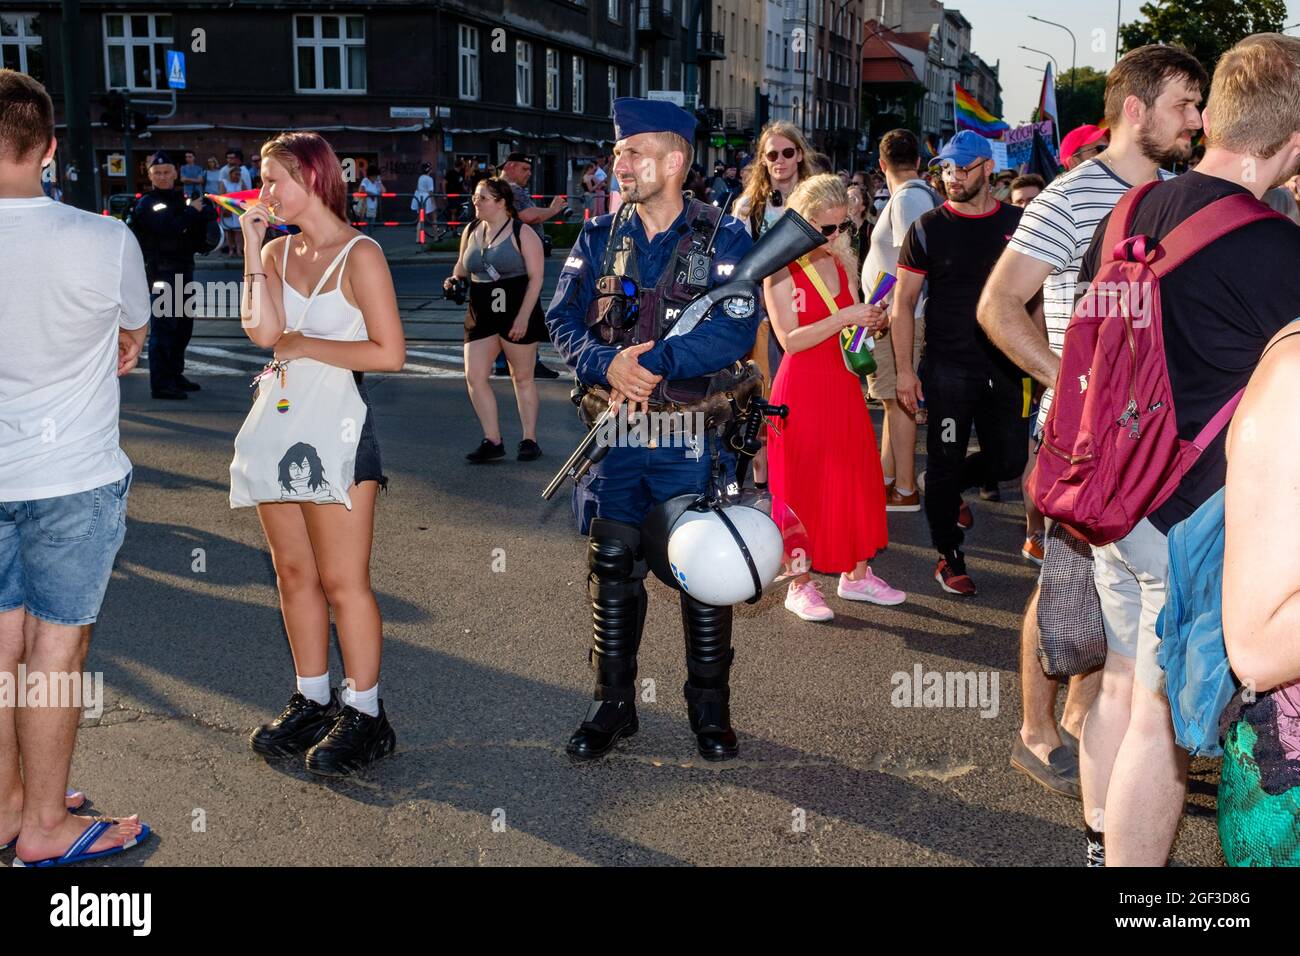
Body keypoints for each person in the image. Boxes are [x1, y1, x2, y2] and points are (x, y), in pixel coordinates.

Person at [1062, 34, 1300, 867]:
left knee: (1124, 690)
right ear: (1294, 139)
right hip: (1199, 525)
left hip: (1114, 500)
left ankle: (1106, 854)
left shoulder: (1129, 212)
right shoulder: (1277, 251)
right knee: (1165, 721)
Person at [977, 44, 1207, 820]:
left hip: (1156, 442)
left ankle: (1091, 715)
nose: (1198, 122)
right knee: (1065, 587)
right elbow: (999, 306)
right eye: (1186, 104)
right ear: (1136, 110)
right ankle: (1037, 731)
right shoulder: (1069, 197)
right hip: (1081, 441)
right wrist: (1075, 391)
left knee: (1125, 593)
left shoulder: (1180, 193)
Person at [546, 97, 761, 761]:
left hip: (692, 436)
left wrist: (651, 364)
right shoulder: (597, 236)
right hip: (614, 435)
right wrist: (606, 362)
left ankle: (710, 712)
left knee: (704, 571)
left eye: (632, 152)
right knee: (612, 565)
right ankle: (612, 706)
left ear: (673, 161)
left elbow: (734, 328)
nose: (619, 163)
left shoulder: (724, 237)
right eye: (617, 152)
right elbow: (563, 320)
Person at [0, 68, 152, 866]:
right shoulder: (102, 238)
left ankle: (9, 806)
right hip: (69, 476)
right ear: (50, 149)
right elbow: (133, 330)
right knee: (55, 654)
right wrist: (120, 343)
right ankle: (45, 830)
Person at [238, 130, 406, 777]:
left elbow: (390, 353)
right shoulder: (278, 252)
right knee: (293, 575)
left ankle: (365, 713)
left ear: (310, 178)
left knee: (342, 581)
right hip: (279, 423)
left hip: (338, 427)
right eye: (262, 180)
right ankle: (312, 698)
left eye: (274, 179)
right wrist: (254, 248)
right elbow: (262, 333)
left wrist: (308, 344)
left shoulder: (360, 254)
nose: (265, 192)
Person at [892, 130, 1031, 597]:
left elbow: (1032, 298)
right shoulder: (928, 227)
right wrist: (906, 371)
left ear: (988, 169)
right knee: (947, 459)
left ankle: (942, 488)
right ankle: (948, 556)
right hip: (948, 368)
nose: (952, 178)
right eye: (946, 169)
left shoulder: (1018, 224)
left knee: (1010, 459)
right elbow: (902, 303)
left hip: (1006, 365)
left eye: (963, 168)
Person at [763, 174, 906, 621]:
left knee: (855, 477)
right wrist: (845, 314)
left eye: (843, 225)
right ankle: (799, 584)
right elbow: (790, 339)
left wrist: (870, 322)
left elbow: (848, 328)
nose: (836, 235)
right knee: (801, 484)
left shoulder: (842, 260)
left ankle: (857, 574)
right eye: (826, 228)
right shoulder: (780, 267)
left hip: (842, 383)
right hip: (803, 384)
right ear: (800, 223)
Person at [863, 129, 941, 517]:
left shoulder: (908, 198)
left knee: (900, 403)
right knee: (893, 401)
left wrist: (888, 310)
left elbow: (915, 262)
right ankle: (888, 479)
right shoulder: (910, 195)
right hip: (896, 316)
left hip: (899, 318)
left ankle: (906, 488)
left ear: (881, 165)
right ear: (919, 161)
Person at [444, 177, 547, 463]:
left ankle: (529, 439)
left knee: (522, 377)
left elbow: (537, 279)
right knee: (475, 376)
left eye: (483, 198)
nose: (476, 202)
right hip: (481, 311)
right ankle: (493, 440)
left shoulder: (522, 232)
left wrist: (524, 317)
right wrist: (453, 279)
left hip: (515, 308)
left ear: (501, 202)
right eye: (476, 197)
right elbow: (461, 266)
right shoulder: (472, 229)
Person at [128, 151, 218, 400]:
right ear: (150, 175)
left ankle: (175, 375)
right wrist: (193, 212)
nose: (163, 176)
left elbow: (194, 236)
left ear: (176, 173)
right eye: (157, 172)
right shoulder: (148, 202)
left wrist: (205, 217)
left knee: (182, 328)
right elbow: (167, 229)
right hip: (161, 273)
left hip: (183, 269)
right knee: (165, 329)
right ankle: (161, 384)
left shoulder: (182, 200)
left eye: (167, 171)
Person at [218, 162, 245, 258]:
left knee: (238, 231)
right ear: (231, 174)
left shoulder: (241, 182)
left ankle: (238, 249)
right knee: (229, 231)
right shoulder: (224, 183)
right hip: (228, 210)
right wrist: (225, 208)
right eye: (236, 174)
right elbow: (221, 197)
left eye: (239, 174)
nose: (238, 176)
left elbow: (245, 196)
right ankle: (231, 250)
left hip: (237, 210)